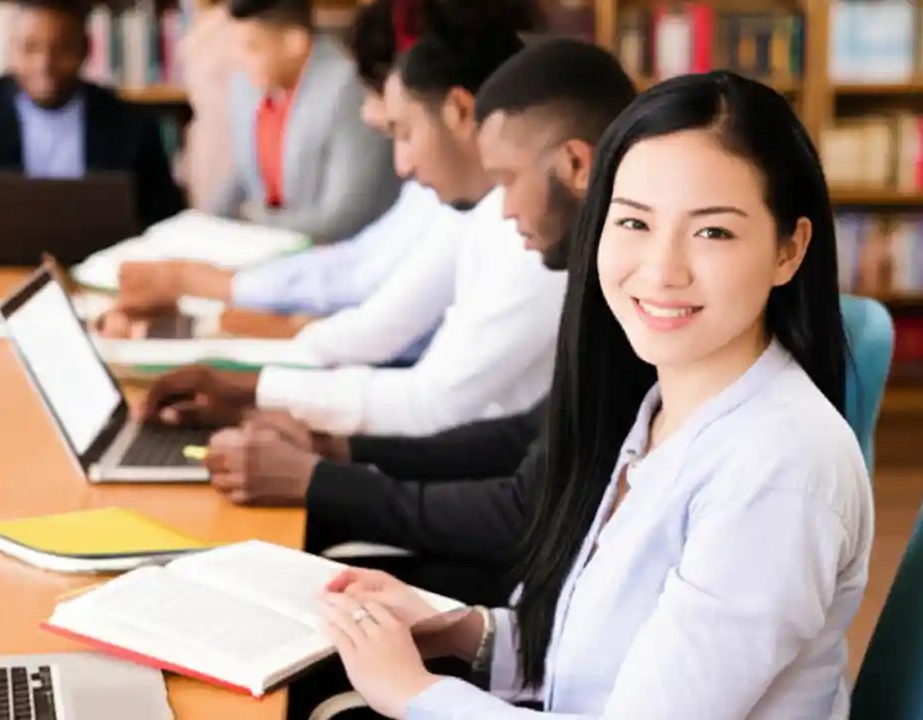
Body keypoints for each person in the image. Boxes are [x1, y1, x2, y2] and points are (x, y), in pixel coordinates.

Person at [311, 71, 875, 719]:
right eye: (634, 222)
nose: (661, 270)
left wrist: (411, 692)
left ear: (789, 250)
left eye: (712, 232)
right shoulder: (662, 409)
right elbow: (612, 650)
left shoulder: (782, 471)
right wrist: (465, 631)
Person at [196, 39, 641, 607]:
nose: (503, 210)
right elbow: (528, 437)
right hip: (521, 576)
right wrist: (338, 451)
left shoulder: (615, 298)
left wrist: (320, 477)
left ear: (577, 165)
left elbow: (522, 506)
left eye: (506, 181)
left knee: (277, 594)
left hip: (528, 596)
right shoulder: (591, 280)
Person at [138, 23, 568, 438]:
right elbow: (380, 324)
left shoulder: (527, 228)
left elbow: (433, 402)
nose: (401, 165)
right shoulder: (482, 206)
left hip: (474, 463)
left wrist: (256, 388)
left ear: (458, 111)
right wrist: (252, 379)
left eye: (404, 132)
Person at [0, 0, 184, 251]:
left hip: (98, 272)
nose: (44, 64)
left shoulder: (130, 122)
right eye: (30, 48)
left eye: (62, 49)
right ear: (12, 50)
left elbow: (166, 216)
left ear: (86, 49)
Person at [208, 0, 401, 244]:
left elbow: (340, 219)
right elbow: (244, 175)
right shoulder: (246, 86)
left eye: (252, 47)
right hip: (266, 245)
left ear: (294, 43)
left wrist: (249, 220)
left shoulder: (346, 89)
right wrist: (206, 222)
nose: (239, 60)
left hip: (340, 252)